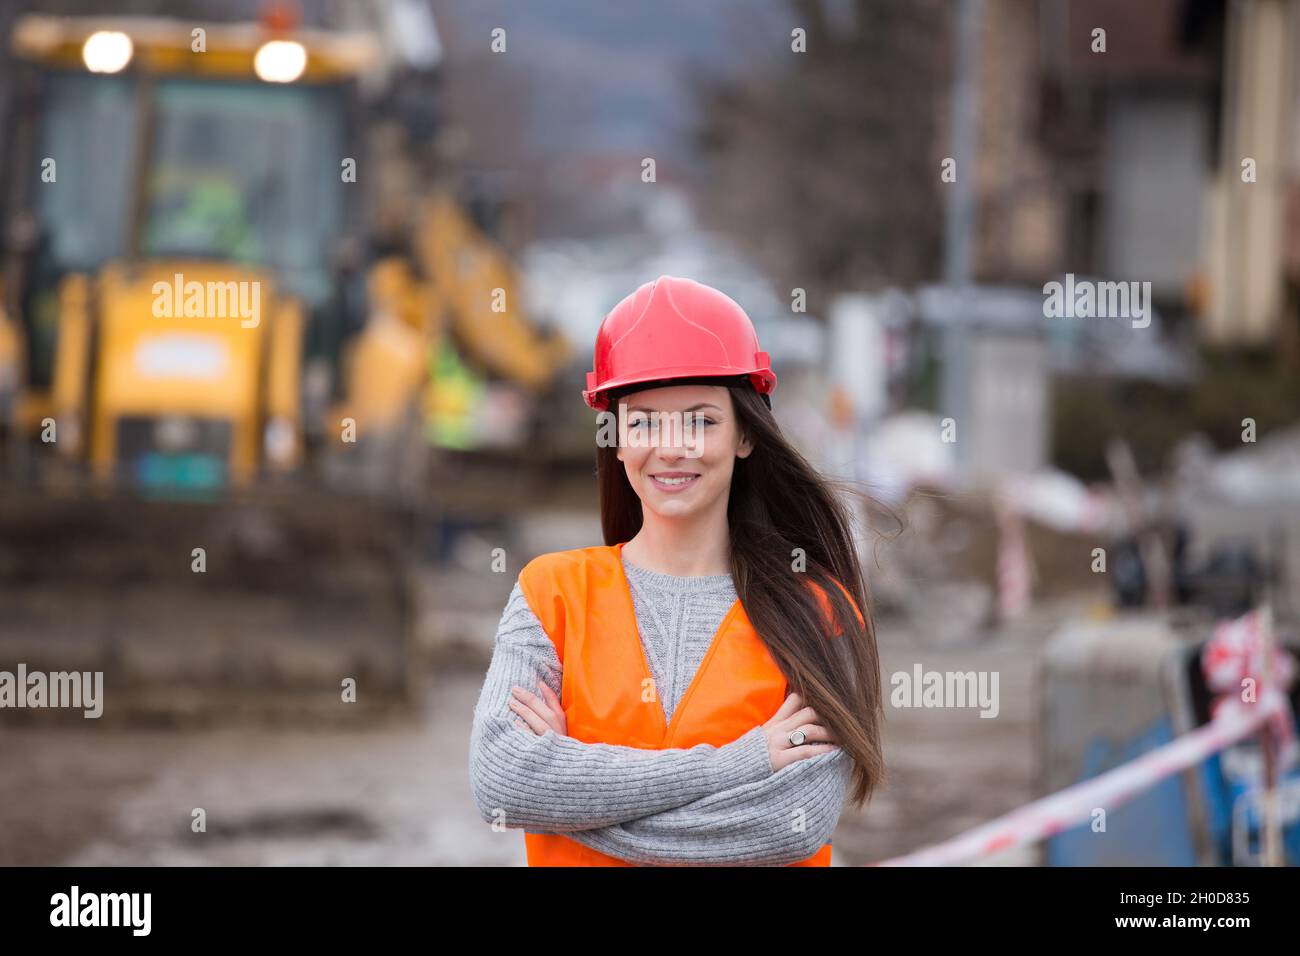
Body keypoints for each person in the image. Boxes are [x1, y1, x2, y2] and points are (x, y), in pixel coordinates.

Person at [469, 275, 886, 866]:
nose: (670, 447)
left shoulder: (816, 608)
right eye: (642, 421)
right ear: (615, 439)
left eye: (700, 420)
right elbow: (502, 785)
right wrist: (746, 762)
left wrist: (569, 794)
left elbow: (791, 825)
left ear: (746, 434)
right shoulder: (550, 594)